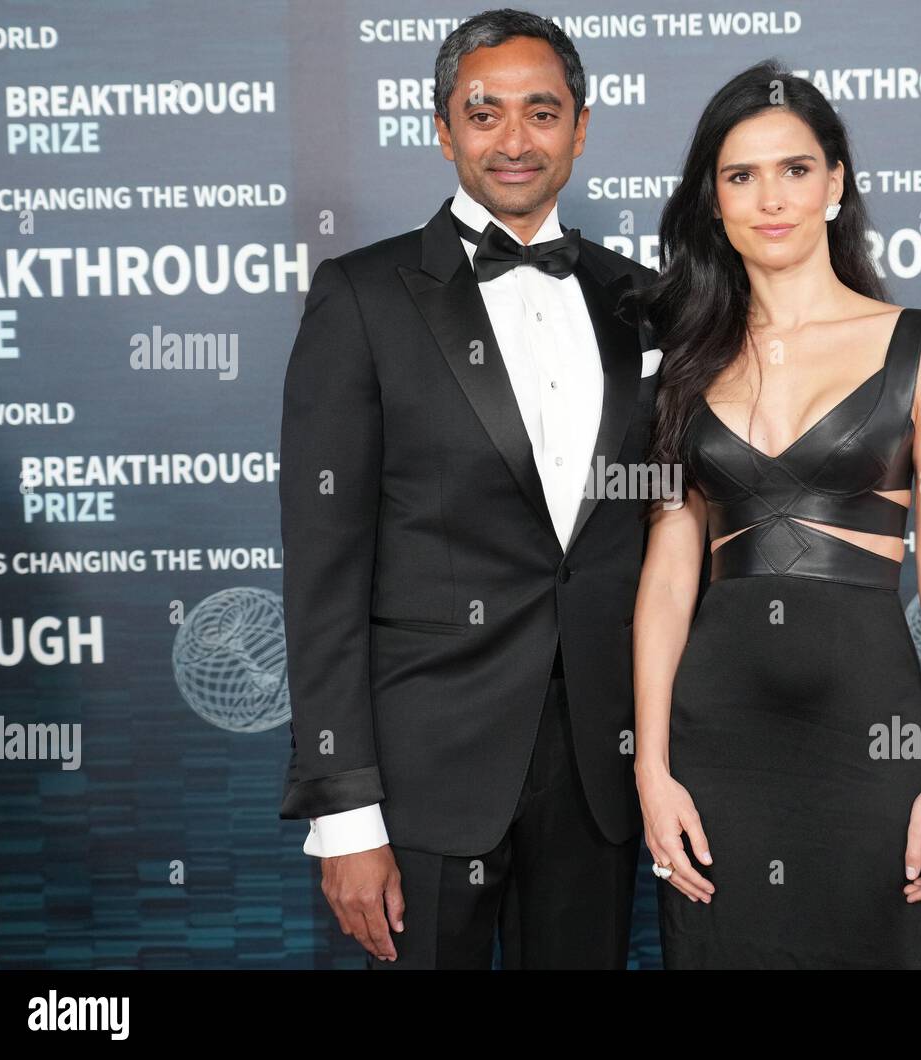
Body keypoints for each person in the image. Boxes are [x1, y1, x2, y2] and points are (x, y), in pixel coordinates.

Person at [277, 9, 661, 969]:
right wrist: (343, 812)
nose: (514, 140)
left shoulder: (645, 301)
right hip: (424, 780)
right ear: (444, 131)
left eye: (543, 112)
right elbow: (324, 577)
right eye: (484, 114)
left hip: (601, 773)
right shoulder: (363, 296)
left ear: (581, 128)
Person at [628, 61, 921, 968]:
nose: (771, 198)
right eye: (741, 176)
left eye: (794, 169)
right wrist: (652, 767)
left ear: (835, 184)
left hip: (869, 737)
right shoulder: (683, 363)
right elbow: (668, 573)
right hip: (716, 745)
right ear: (714, 203)